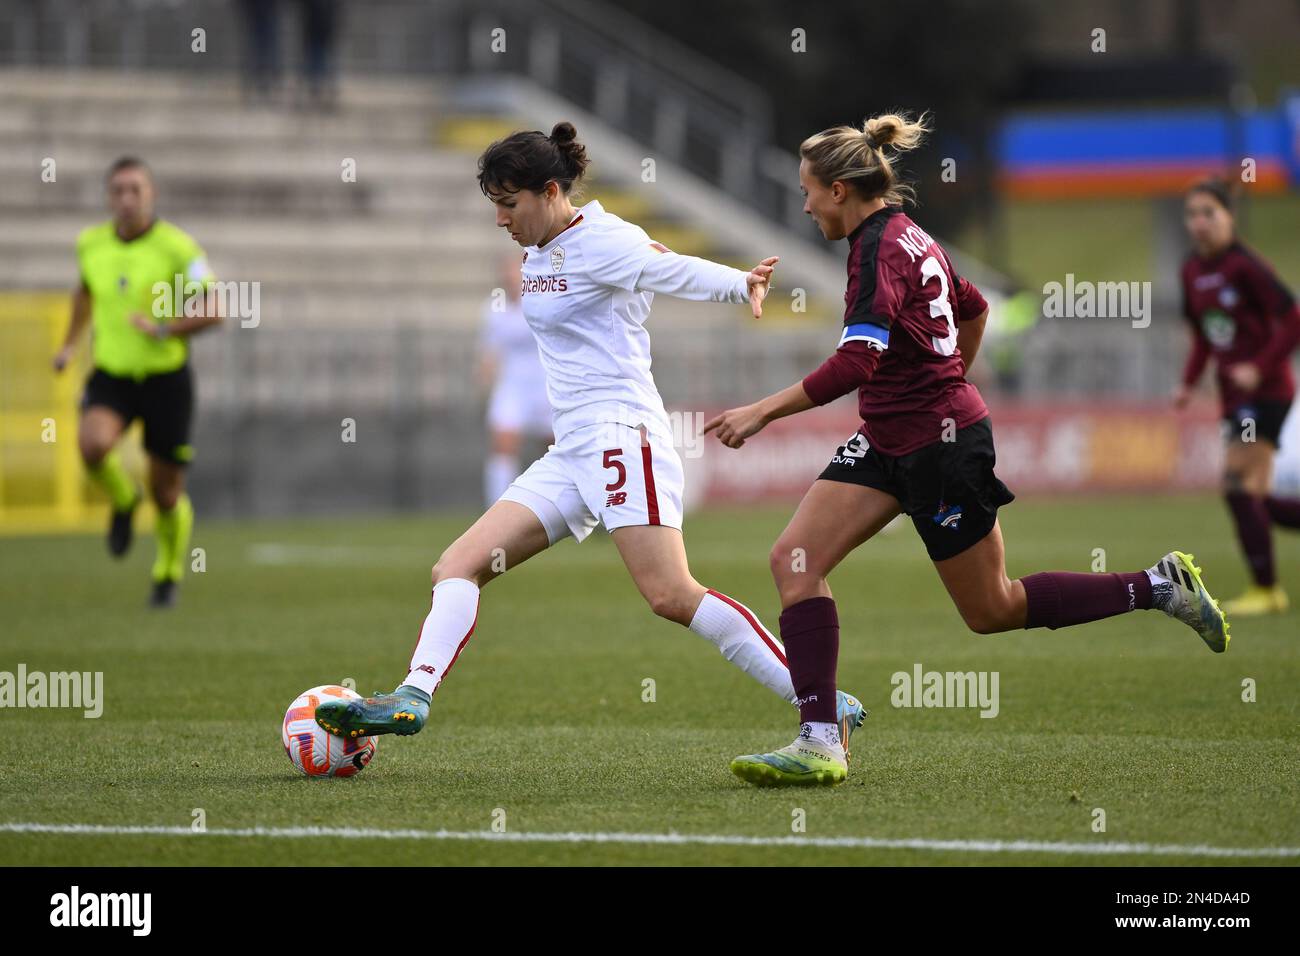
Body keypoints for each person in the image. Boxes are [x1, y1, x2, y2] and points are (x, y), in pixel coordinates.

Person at [704, 113, 1230, 788]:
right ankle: (819, 737)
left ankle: (1158, 587)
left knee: (993, 610)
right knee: (794, 561)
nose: (803, 205)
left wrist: (762, 412)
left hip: (938, 446)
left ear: (840, 189)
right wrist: (945, 379)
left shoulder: (881, 248)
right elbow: (976, 309)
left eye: (809, 191)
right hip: (893, 435)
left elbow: (857, 361)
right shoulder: (906, 235)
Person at [315, 123, 867, 754]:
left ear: (550, 191)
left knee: (670, 594)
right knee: (458, 565)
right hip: (571, 450)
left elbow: (667, 267)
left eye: (508, 203)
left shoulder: (603, 238)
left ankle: (821, 701)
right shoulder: (539, 250)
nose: (500, 219)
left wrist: (740, 284)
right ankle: (412, 696)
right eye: (493, 204)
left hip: (622, 439)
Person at [53, 157, 221, 608]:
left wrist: (164, 329)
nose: (127, 199)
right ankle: (124, 499)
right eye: (119, 191)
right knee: (91, 445)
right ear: (109, 197)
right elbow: (85, 291)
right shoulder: (91, 245)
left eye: (136, 190)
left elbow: (215, 307)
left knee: (167, 493)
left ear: (152, 195)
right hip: (112, 375)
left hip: (166, 379)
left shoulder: (178, 248)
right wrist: (69, 344)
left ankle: (167, 570)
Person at [1174, 177, 1300, 616]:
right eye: (1192, 215)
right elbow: (1206, 336)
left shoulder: (1245, 266)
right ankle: (1266, 588)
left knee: (1236, 483)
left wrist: (1258, 367)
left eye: (1209, 213)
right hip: (1233, 398)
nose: (1200, 223)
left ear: (1229, 217)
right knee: (1256, 498)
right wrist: (1188, 383)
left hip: (1267, 392)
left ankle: (1267, 591)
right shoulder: (1191, 270)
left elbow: (1293, 317)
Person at [477, 254, 552, 507]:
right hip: (513, 386)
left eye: (515, 273)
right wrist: (484, 376)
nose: (510, 278)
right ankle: (498, 509)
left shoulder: (541, 302)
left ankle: (576, 506)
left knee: (556, 448)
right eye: (506, 273)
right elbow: (490, 349)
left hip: (547, 384)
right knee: (502, 445)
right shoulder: (493, 309)